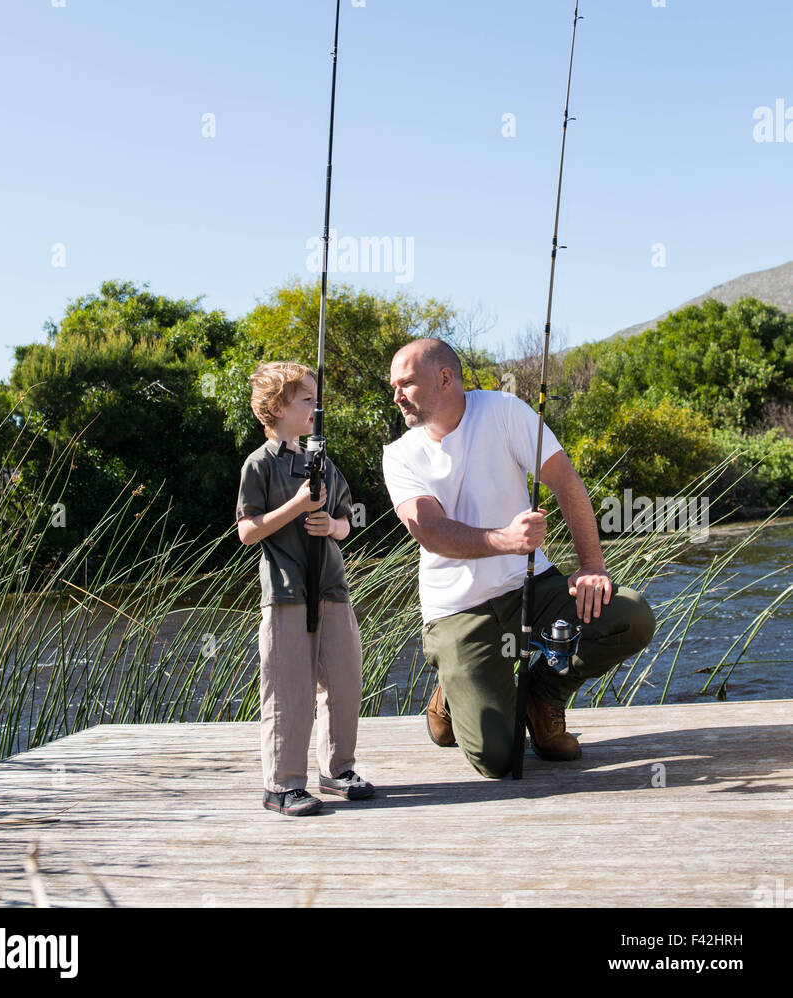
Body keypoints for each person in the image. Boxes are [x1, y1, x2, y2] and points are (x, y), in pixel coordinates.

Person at [382, 338, 655, 779]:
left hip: (530, 586)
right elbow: (429, 531)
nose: (396, 396)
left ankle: (542, 695)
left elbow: (566, 484)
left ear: (445, 379)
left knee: (632, 615)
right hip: (456, 611)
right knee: (500, 760)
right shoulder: (399, 455)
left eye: (406, 384)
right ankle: (448, 692)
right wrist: (503, 540)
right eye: (394, 386)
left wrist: (591, 568)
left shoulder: (505, 411)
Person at [236, 361, 375, 816]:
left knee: (343, 680)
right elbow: (247, 531)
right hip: (286, 590)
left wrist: (331, 524)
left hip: (332, 587)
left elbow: (347, 522)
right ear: (277, 408)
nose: (316, 408)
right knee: (288, 689)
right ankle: (282, 784)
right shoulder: (258, 465)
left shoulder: (325, 464)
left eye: (316, 399)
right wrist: (297, 506)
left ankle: (337, 770)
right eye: (307, 400)